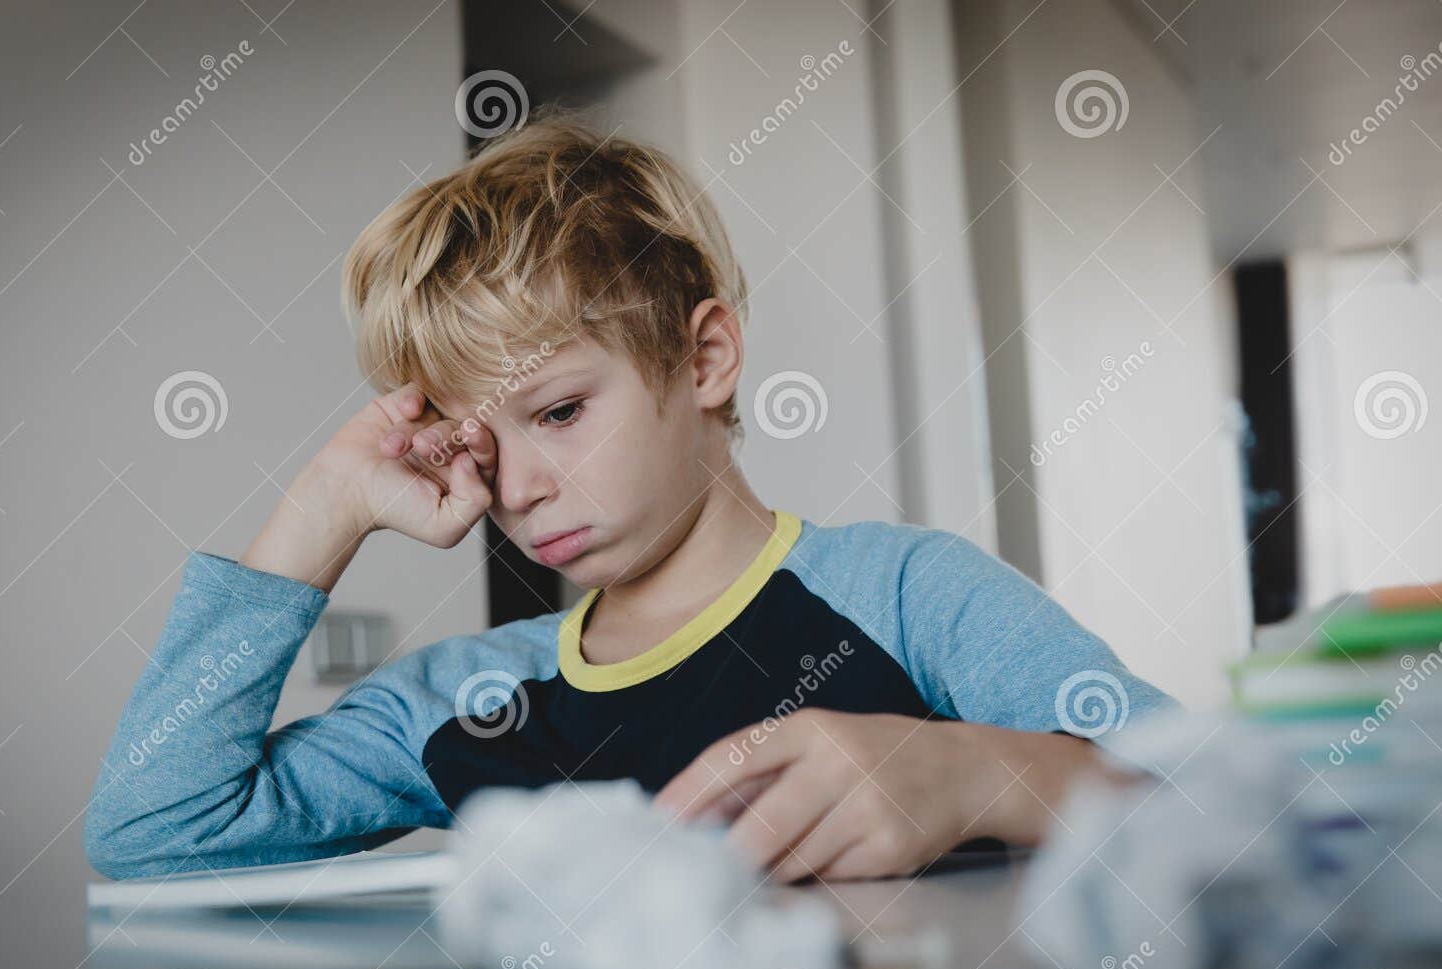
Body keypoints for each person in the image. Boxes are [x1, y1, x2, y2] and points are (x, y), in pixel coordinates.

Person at [84, 115, 1177, 883]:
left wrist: (978, 771)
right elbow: (155, 828)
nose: (516, 484)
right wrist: (320, 512)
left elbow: (1228, 804)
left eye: (558, 412)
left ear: (702, 358)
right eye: (473, 443)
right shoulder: (464, 701)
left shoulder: (903, 593)